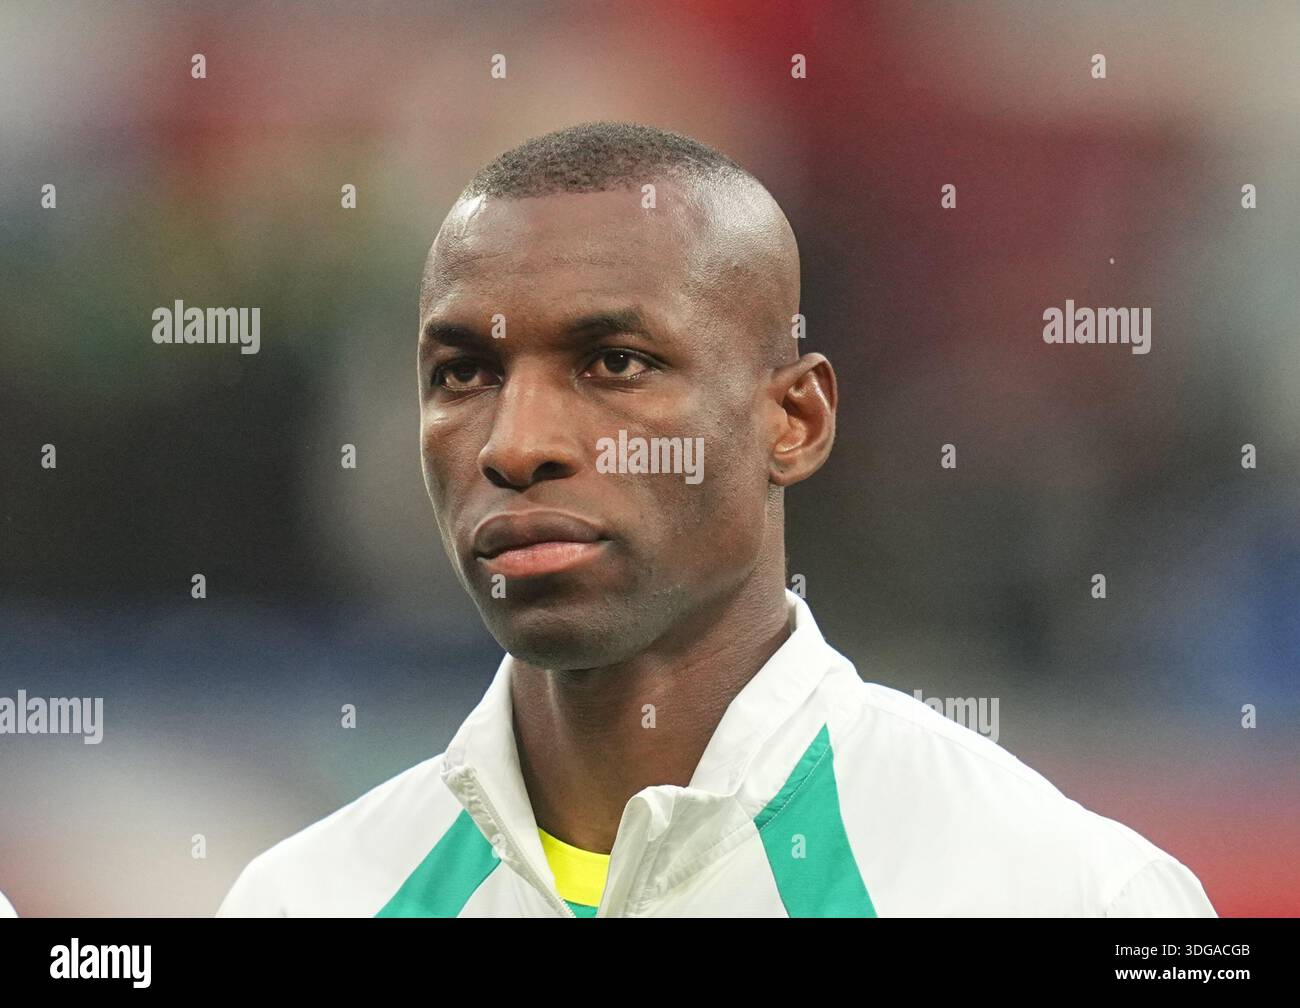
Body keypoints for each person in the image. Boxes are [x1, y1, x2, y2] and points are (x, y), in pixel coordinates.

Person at [217, 121, 1215, 917]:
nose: (514, 445)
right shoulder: (303, 901)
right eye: (463, 373)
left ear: (794, 419)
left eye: (614, 363)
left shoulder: (1067, 898)